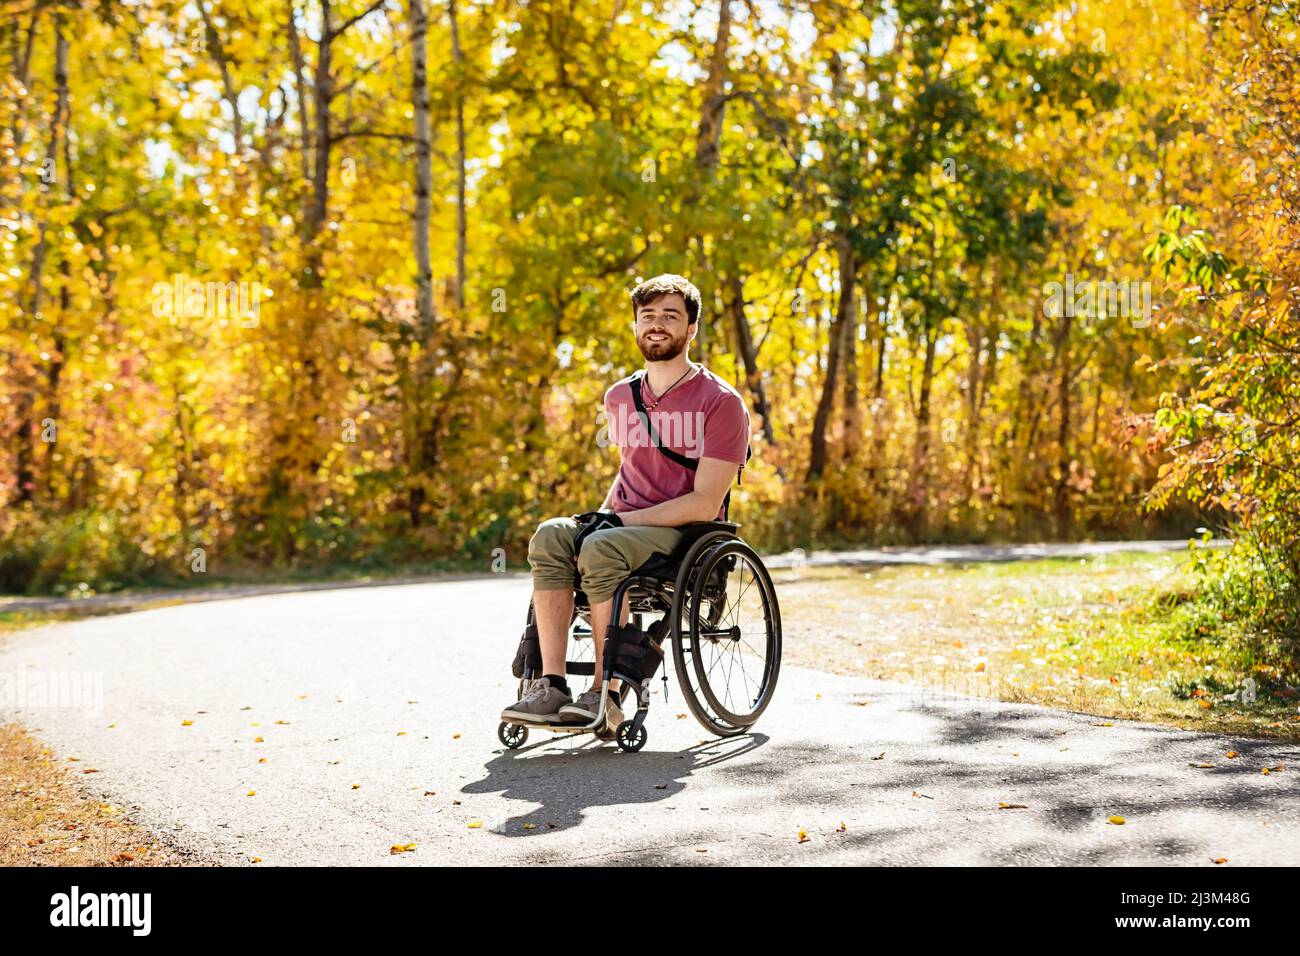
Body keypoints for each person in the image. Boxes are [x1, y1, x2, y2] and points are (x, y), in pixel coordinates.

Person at [501, 274, 752, 736]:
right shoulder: (620, 397)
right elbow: (633, 471)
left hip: (684, 531)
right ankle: (550, 686)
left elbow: (704, 500)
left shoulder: (721, 403)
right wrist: (597, 516)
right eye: (648, 316)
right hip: (624, 522)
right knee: (551, 535)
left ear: (691, 329)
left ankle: (605, 693)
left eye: (670, 316)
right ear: (636, 325)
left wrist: (616, 523)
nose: (657, 325)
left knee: (602, 548)